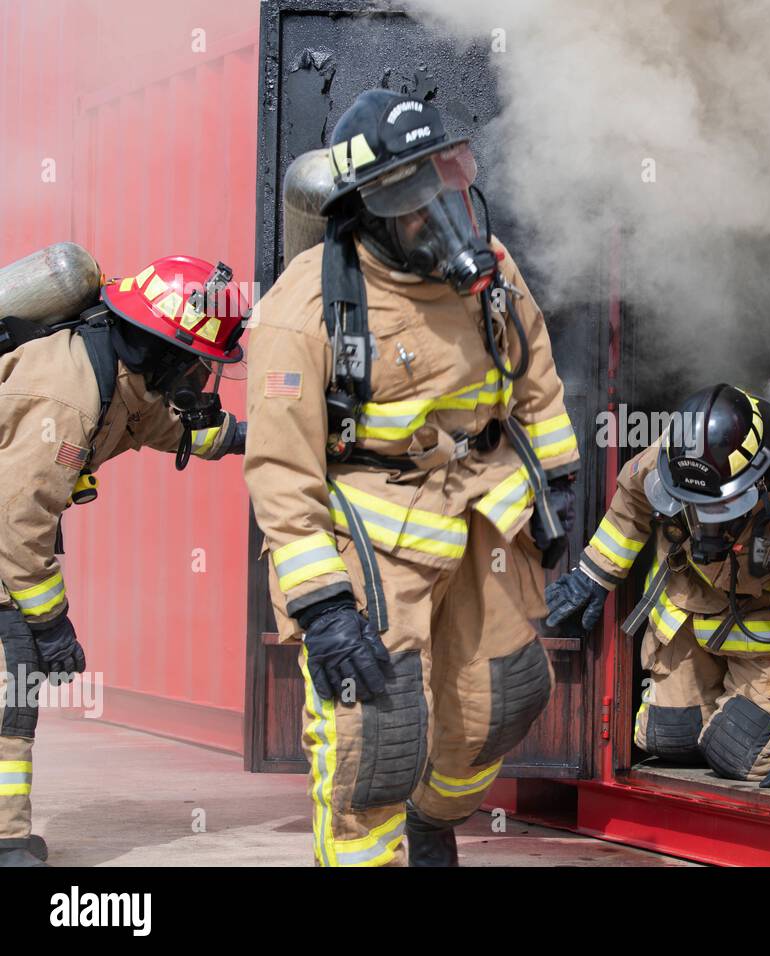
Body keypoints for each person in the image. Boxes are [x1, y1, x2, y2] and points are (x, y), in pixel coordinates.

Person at [243, 89, 579, 867]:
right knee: (378, 740)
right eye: (418, 204)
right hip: (372, 532)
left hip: (485, 517)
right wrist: (323, 608)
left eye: (449, 187)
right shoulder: (303, 312)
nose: (445, 219)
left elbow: (536, 376)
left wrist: (557, 481)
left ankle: (433, 818)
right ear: (372, 211)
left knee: (505, 700)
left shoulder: (490, 269)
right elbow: (283, 475)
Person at [0, 252, 248, 866]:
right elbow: (17, 523)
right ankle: (6, 841)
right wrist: (52, 624)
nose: (199, 374)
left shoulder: (120, 375)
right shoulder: (70, 395)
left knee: (17, 679)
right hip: (8, 541)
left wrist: (259, 435)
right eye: (196, 360)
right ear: (162, 347)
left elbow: (166, 427)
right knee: (16, 678)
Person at [546, 381, 770, 793]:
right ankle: (717, 712)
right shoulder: (675, 454)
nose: (705, 523)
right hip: (693, 617)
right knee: (665, 738)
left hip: (763, 641)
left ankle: (736, 715)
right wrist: (593, 573)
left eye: (719, 510)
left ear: (757, 479)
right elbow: (632, 499)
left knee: (737, 751)